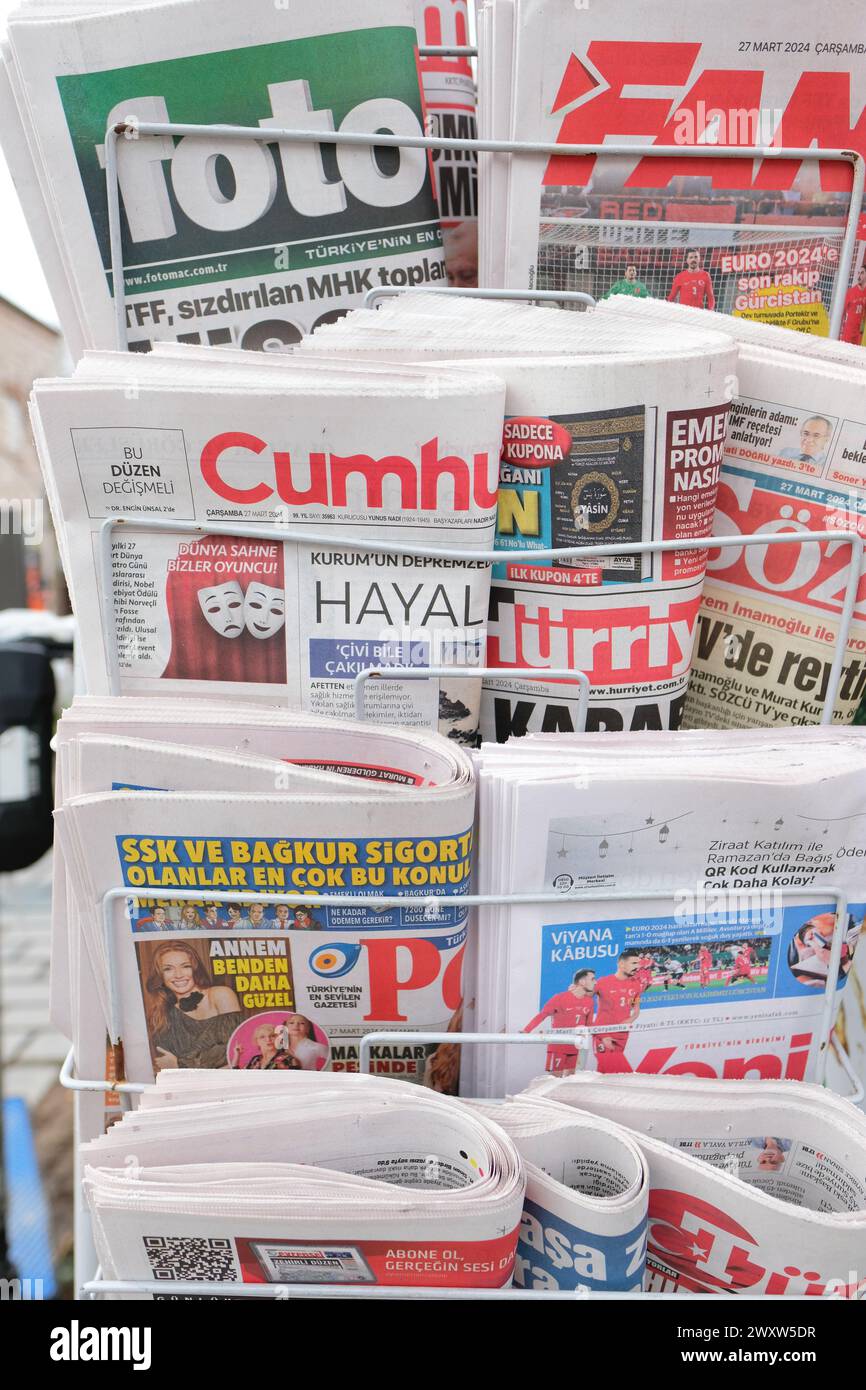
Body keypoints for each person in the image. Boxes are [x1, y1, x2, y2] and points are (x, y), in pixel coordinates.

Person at [144, 941, 243, 1070]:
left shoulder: (221, 995)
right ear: (160, 975)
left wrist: (180, 1063)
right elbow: (165, 1064)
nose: (178, 975)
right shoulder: (159, 1015)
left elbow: (236, 1049)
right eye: (168, 969)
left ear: (195, 968)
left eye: (185, 966)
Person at [523, 968, 597, 1075]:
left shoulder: (589, 1002)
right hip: (558, 1046)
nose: (595, 982)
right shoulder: (559, 998)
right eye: (593, 979)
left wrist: (606, 1031)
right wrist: (527, 1030)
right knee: (554, 1079)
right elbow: (542, 1015)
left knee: (570, 1080)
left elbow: (589, 1025)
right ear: (582, 982)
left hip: (576, 1047)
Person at [593, 951, 643, 1075]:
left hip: (622, 1034)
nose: (637, 966)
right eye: (634, 963)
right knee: (606, 1066)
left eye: (638, 963)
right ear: (621, 964)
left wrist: (629, 1020)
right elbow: (585, 998)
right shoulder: (602, 982)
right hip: (603, 1032)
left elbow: (636, 1011)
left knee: (613, 1071)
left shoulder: (636, 984)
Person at [235, 1022, 299, 1071]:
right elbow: (242, 1079)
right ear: (257, 1041)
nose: (268, 1040)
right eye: (262, 1037)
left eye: (272, 1036)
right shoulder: (255, 1059)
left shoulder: (289, 1059)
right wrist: (237, 1055)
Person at [840, 266, 866, 345]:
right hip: (848, 333)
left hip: (859, 334)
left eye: (862, 273)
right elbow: (842, 313)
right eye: (858, 273)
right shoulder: (851, 292)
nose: (859, 276)